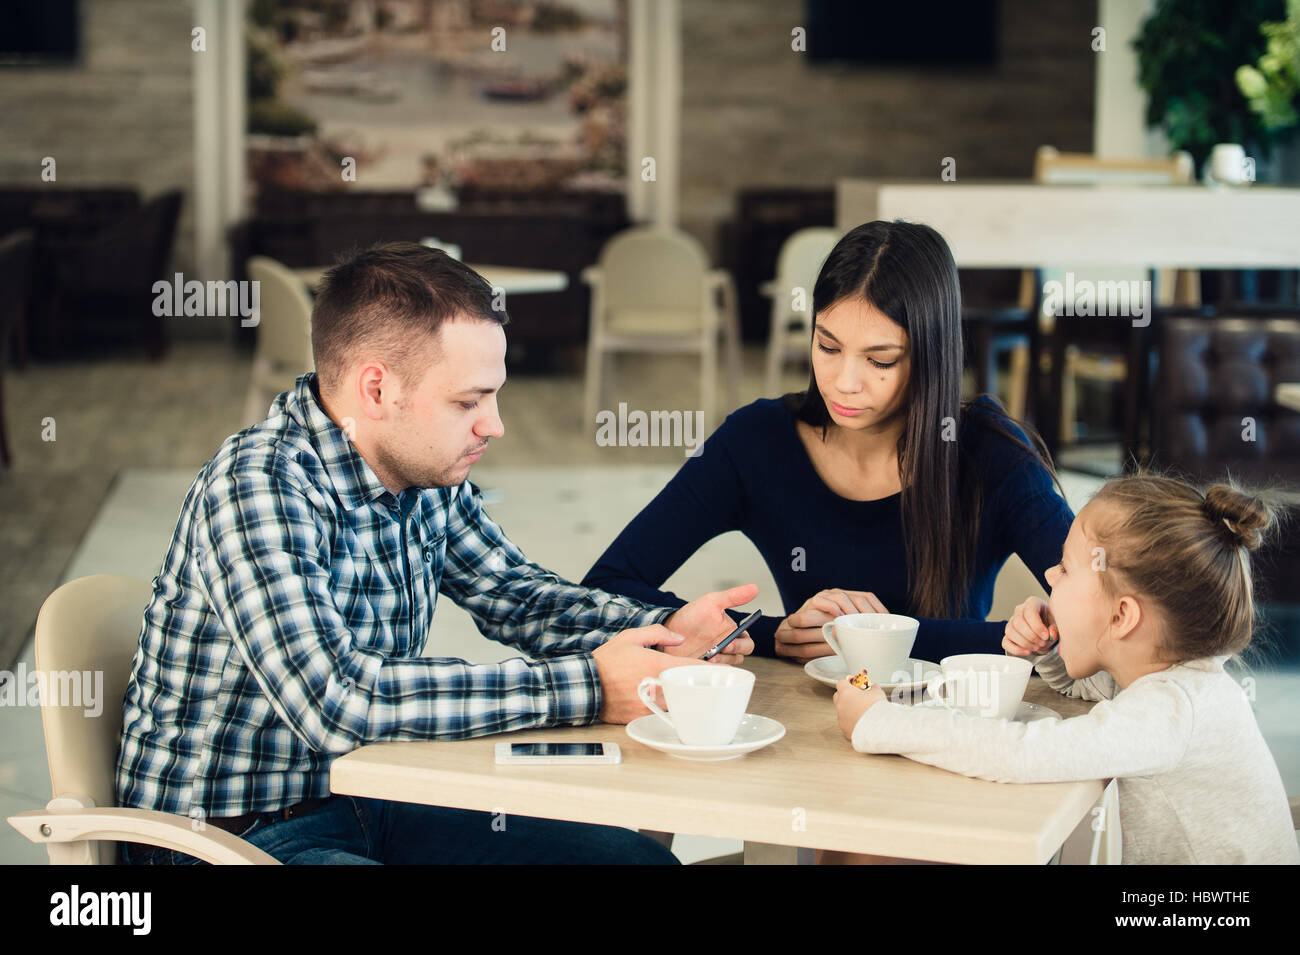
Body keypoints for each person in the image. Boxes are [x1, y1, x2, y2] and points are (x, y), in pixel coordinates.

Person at [116, 242, 757, 865]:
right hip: (222, 840)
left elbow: (518, 596)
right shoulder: (258, 485)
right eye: (467, 401)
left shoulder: (422, 473)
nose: (494, 424)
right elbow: (338, 701)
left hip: (372, 797)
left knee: (635, 863)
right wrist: (589, 686)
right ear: (376, 390)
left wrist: (662, 633)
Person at [582, 220, 1070, 665]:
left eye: (880, 360)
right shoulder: (758, 442)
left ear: (932, 355)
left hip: (954, 726)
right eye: (828, 347)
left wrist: (870, 637)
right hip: (811, 723)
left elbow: (1104, 619)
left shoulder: (993, 454)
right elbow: (603, 590)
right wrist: (774, 635)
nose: (844, 382)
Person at [835, 474, 1300, 865]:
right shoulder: (1174, 681)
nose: (1051, 577)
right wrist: (1051, 652)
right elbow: (1097, 692)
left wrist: (882, 722)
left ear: (1122, 617)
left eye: (1065, 568)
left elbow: (1025, 754)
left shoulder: (1173, 710)